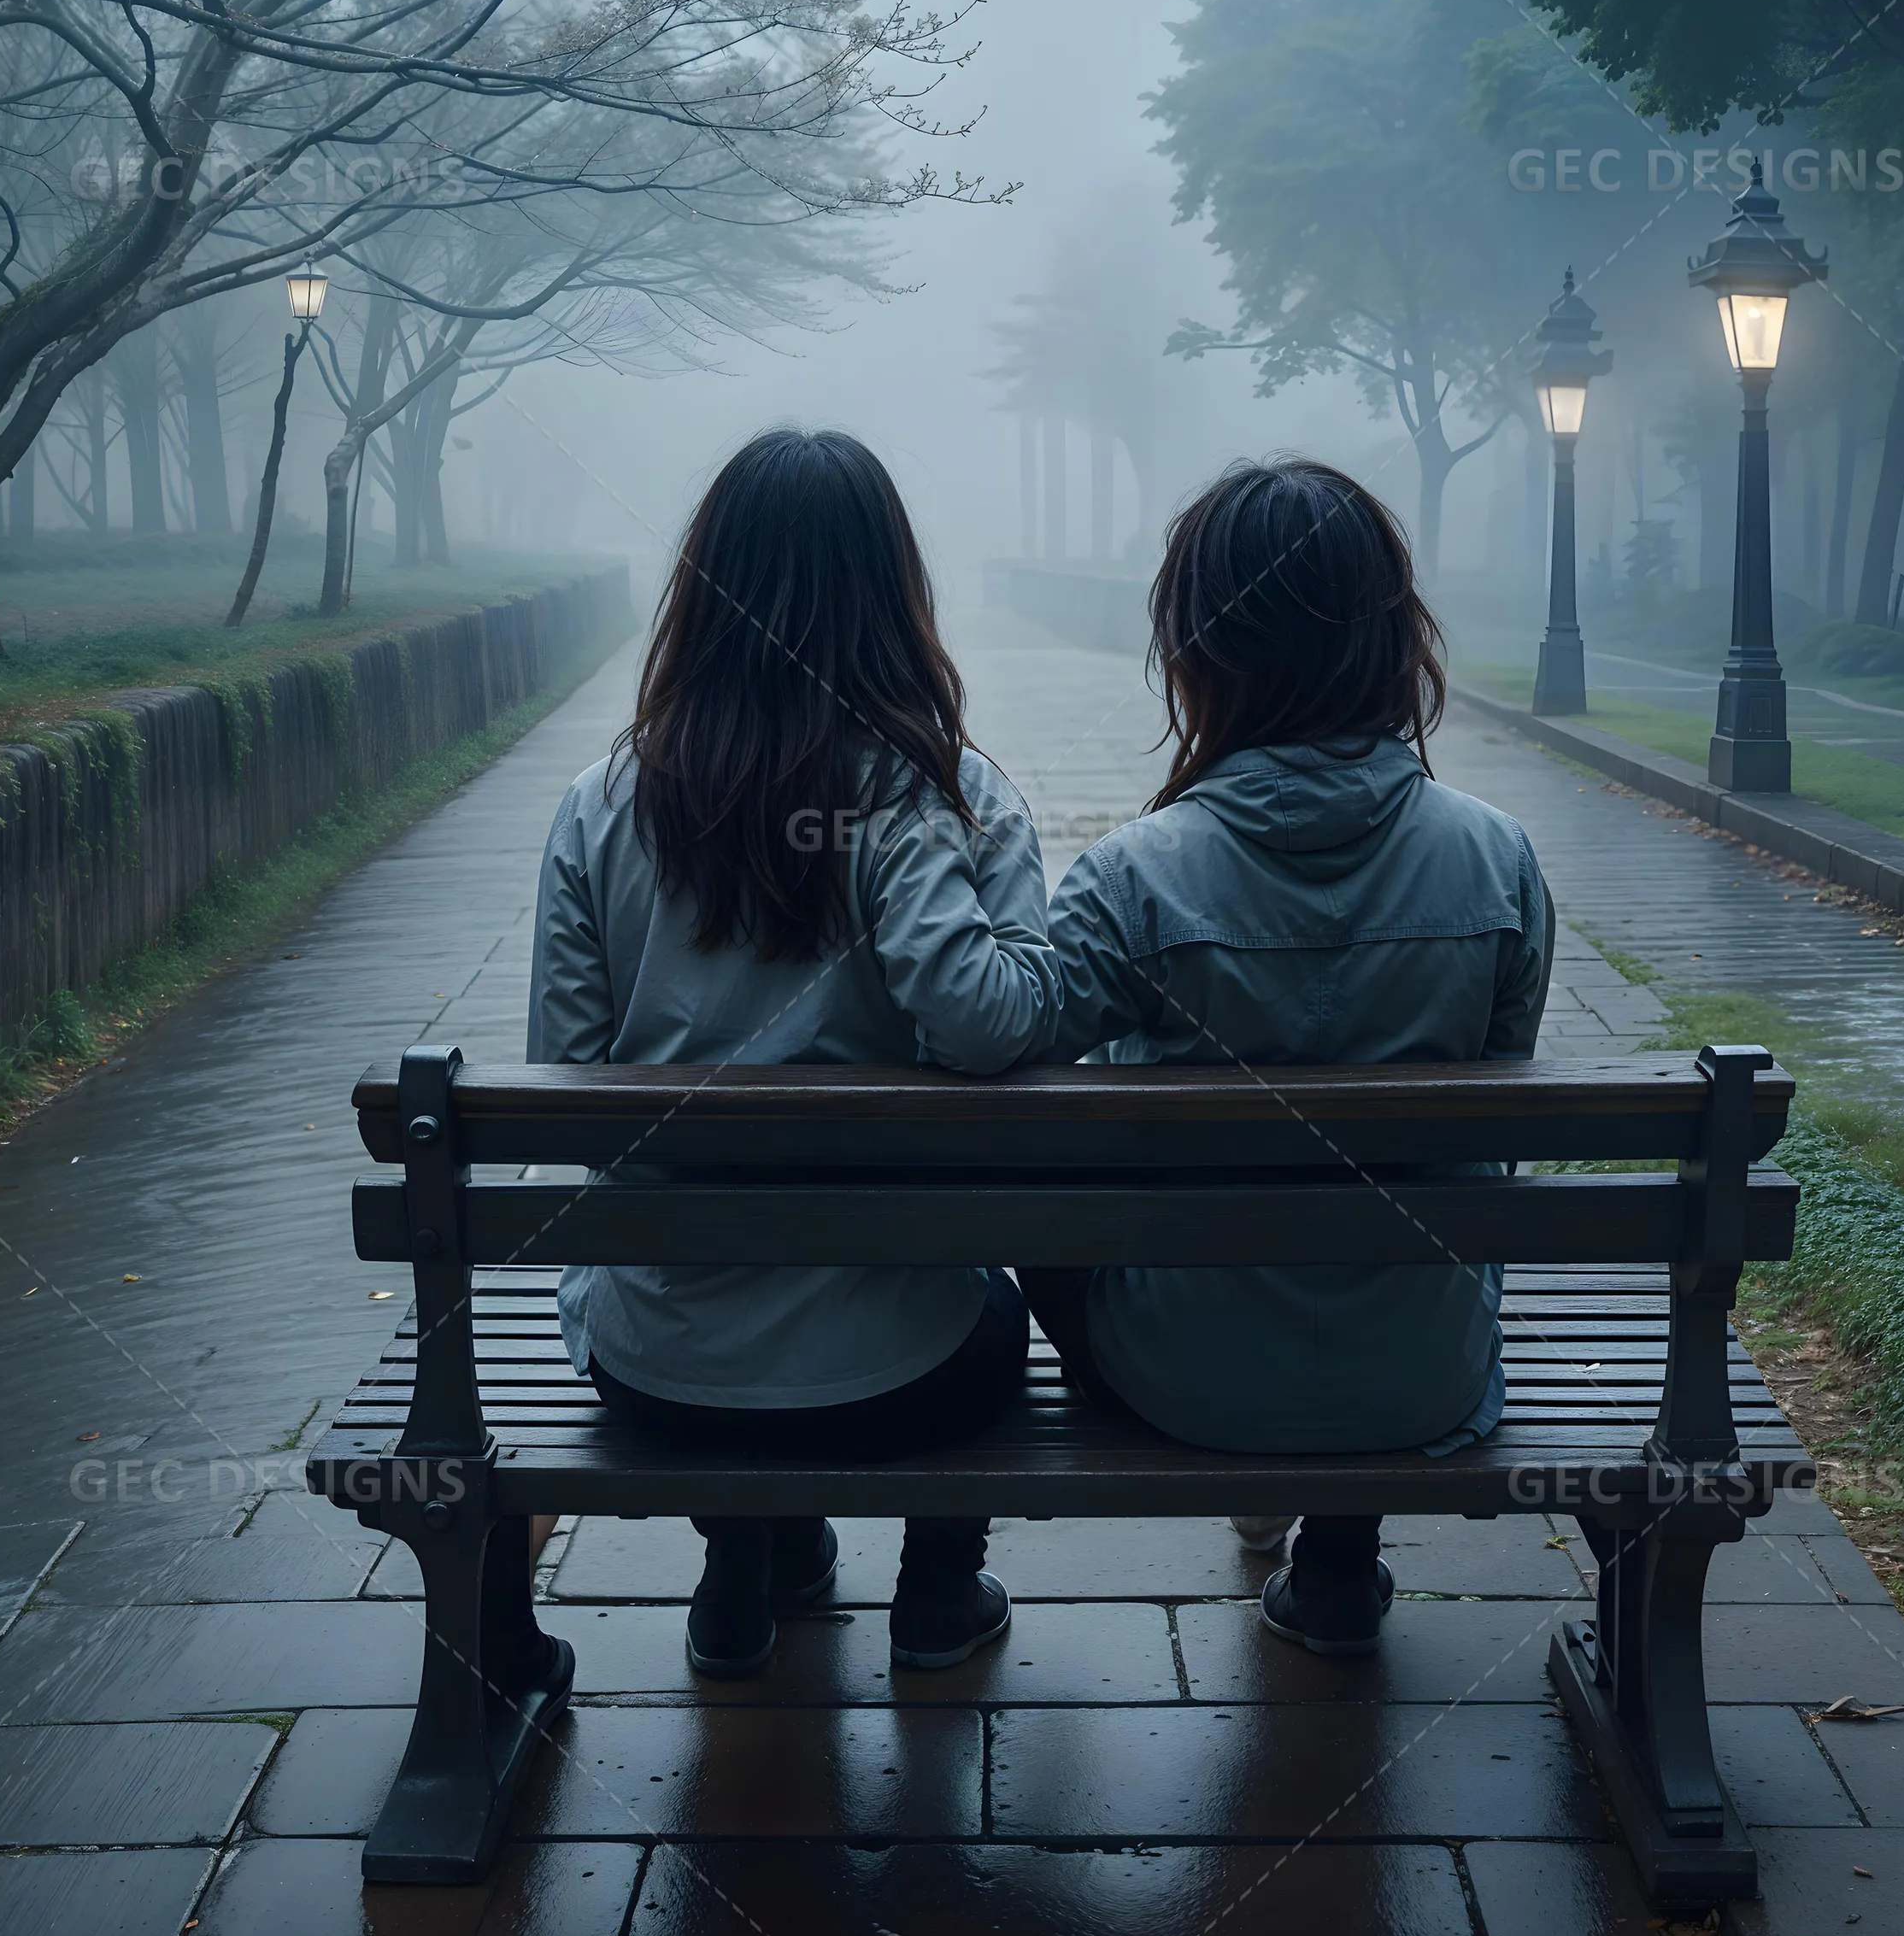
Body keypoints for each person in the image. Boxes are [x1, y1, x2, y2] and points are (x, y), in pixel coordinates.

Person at [528, 429, 1056, 1680]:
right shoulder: (947, 795)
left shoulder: (603, 805)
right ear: (893, 593)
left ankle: (748, 1557)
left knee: (713, 1299)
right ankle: (937, 1589)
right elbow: (988, 1024)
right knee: (989, 1303)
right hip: (901, 1375)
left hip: (659, 1377)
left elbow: (562, 1079)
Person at [1026, 458, 1554, 1656]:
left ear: (1200, 649)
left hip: (1181, 1375)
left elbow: (1023, 1081)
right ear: (1389, 639)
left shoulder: (1130, 874)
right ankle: (1341, 1559)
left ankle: (1277, 1467)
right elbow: (1497, 1141)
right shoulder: (1499, 861)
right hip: (1423, 1375)